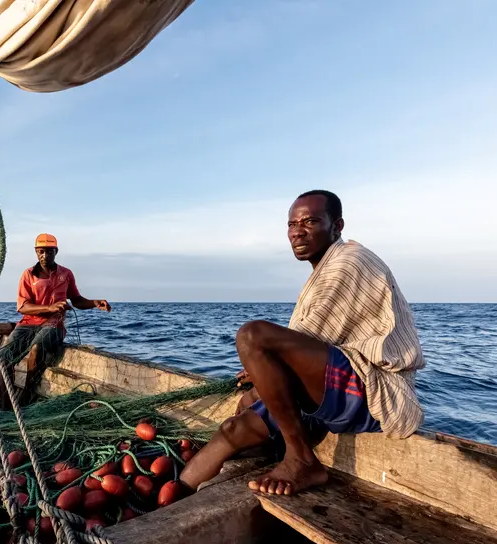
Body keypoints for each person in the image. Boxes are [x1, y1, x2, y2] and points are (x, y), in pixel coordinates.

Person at [180, 190, 425, 496]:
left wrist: (263, 373)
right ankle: (166, 504)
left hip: (371, 391)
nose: (297, 230)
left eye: (310, 221)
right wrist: (261, 378)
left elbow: (303, 341)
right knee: (235, 425)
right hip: (328, 392)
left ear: (337, 226)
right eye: (292, 223)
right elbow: (302, 347)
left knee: (252, 336)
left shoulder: (350, 261)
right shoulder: (322, 271)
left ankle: (301, 459)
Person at [0, 233, 111, 403]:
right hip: (28, 324)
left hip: (54, 324)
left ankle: (26, 396)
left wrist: (95, 302)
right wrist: (49, 307)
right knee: (4, 356)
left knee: (36, 349)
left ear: (56, 252)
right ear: (36, 252)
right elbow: (23, 306)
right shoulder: (28, 275)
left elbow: (76, 300)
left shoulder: (66, 274)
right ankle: (4, 402)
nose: (45, 255)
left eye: (49, 252)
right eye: (41, 251)